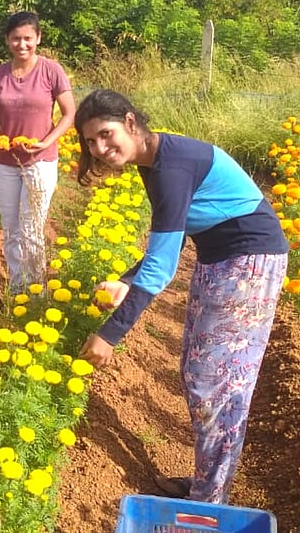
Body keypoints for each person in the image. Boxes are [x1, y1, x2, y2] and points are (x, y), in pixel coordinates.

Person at [73, 89, 288, 505]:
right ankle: (209, 485)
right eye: (90, 142)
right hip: (221, 257)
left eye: (106, 134)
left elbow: (162, 267)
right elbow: (167, 243)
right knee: (197, 369)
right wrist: (125, 278)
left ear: (131, 123)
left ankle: (210, 505)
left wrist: (111, 334)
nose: (99, 149)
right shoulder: (154, 160)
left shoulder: (169, 167)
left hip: (247, 261)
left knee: (217, 383)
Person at [0, 11, 76, 295]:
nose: (21, 44)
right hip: (6, 163)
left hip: (40, 161)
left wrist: (46, 141)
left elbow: (69, 114)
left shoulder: (51, 70)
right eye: (15, 38)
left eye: (27, 38)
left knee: (32, 228)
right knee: (11, 229)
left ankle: (36, 292)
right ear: (7, 40)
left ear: (38, 38)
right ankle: (17, 289)